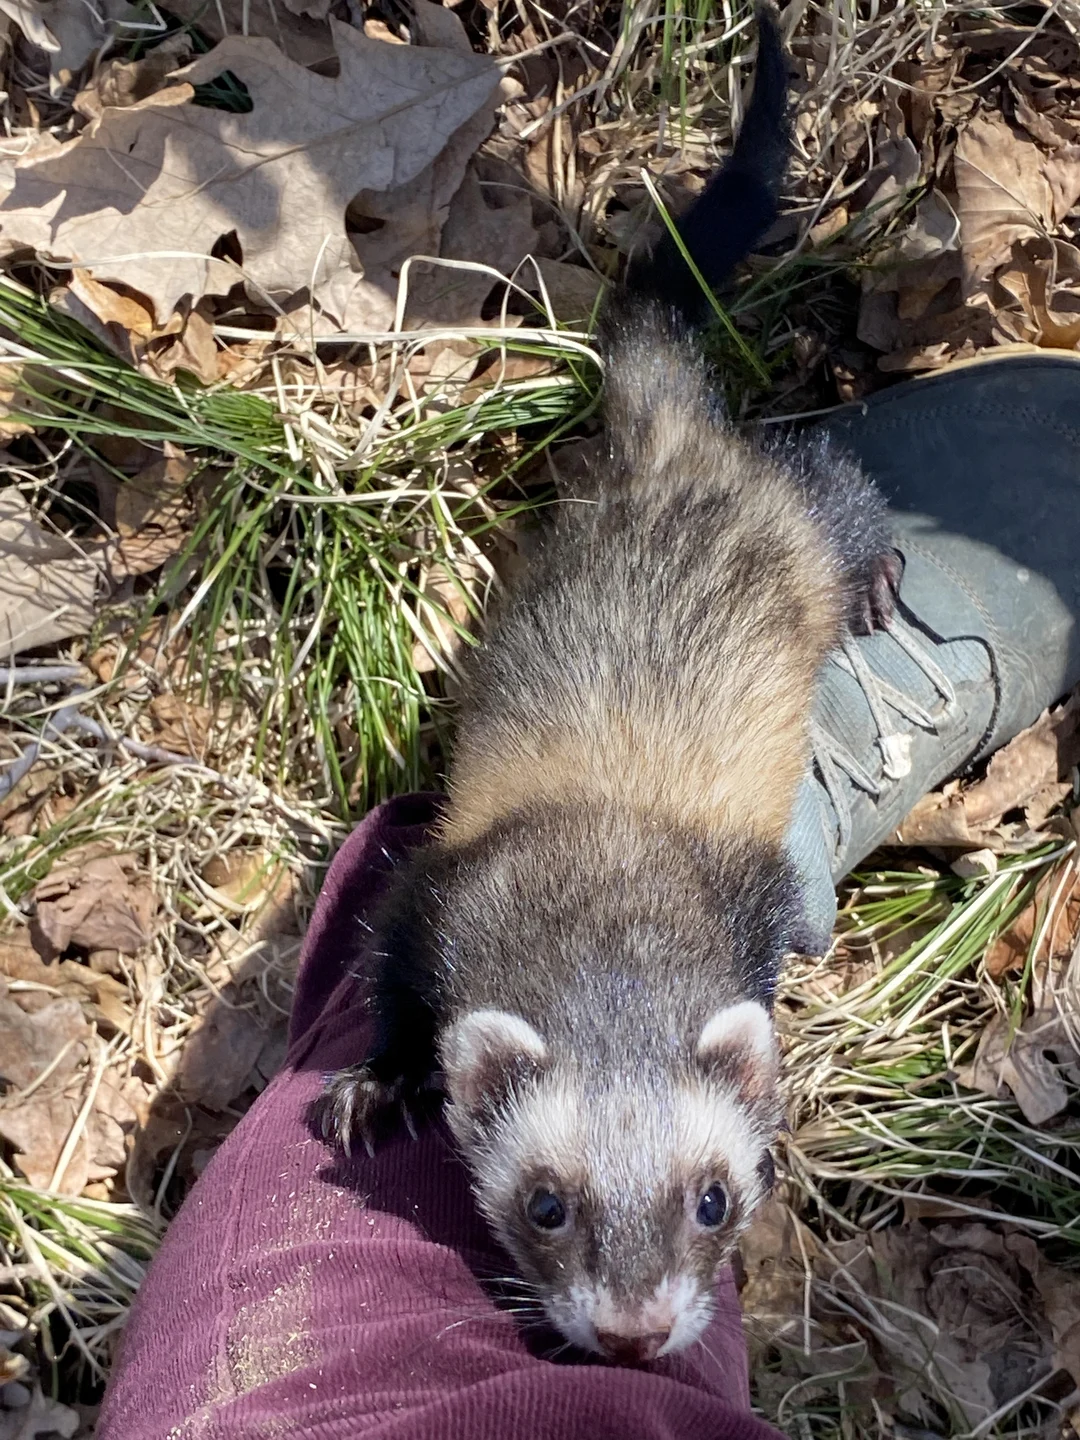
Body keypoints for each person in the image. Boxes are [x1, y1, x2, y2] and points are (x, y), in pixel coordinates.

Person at [97, 351, 1080, 1439]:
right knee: (730, 902)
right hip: (698, 697)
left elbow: (418, 936)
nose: (637, 1312)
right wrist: (398, 1058)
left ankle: (859, 572)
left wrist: (392, 1056)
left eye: (708, 1205)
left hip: (665, 625)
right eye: (552, 1210)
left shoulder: (469, 951)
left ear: (480, 1093)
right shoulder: (617, 1026)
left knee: (419, 970)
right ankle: (803, 786)